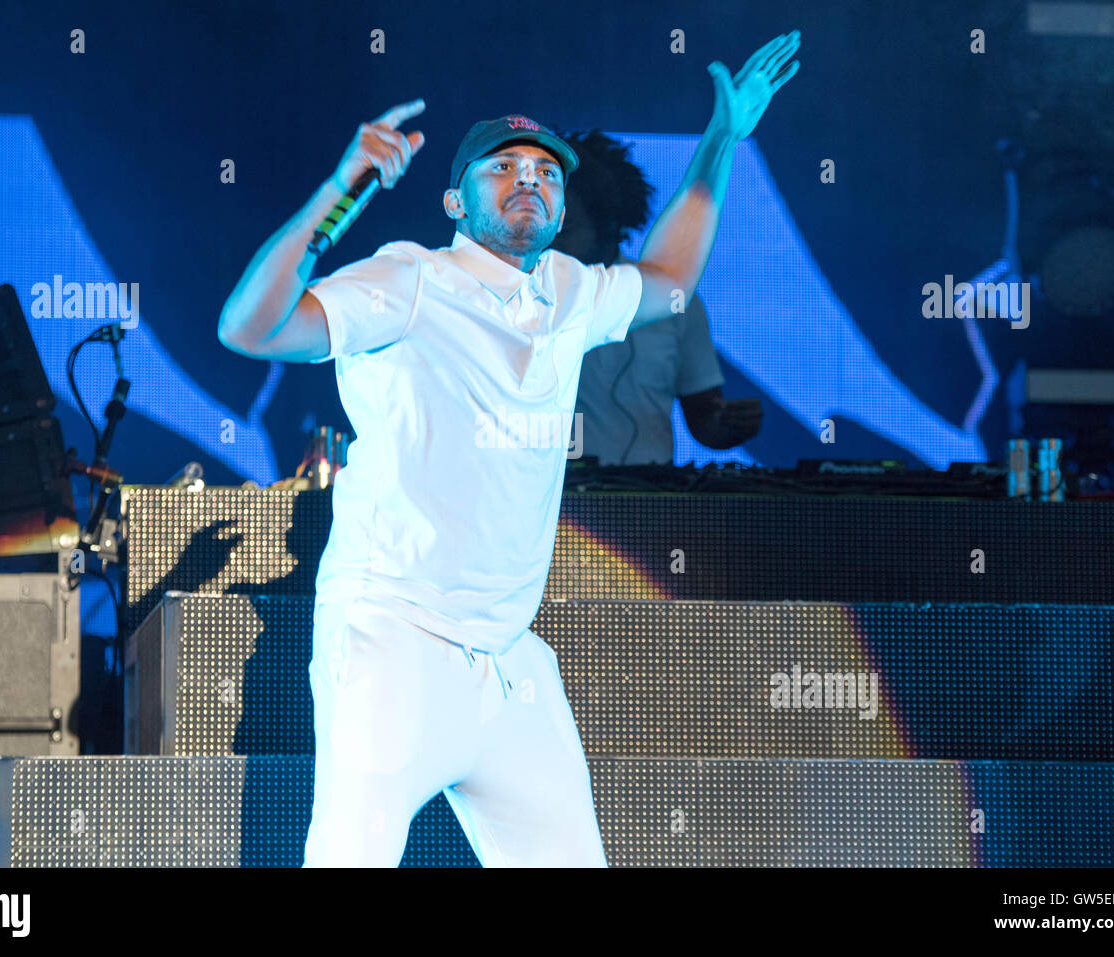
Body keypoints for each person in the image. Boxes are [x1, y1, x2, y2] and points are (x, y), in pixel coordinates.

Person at [218, 31, 800, 867]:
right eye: (504, 167)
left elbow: (671, 281)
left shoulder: (569, 292)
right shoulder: (410, 278)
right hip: (394, 638)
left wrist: (720, 140)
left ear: (560, 210)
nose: (530, 178)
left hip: (509, 662)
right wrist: (341, 192)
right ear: (455, 203)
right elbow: (251, 328)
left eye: (547, 173)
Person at [552, 130, 763, 464]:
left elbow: (704, 420)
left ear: (608, 225)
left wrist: (729, 423)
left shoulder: (676, 302)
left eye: (565, 229)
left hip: (651, 493)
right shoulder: (529, 296)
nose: (551, 241)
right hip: (553, 492)